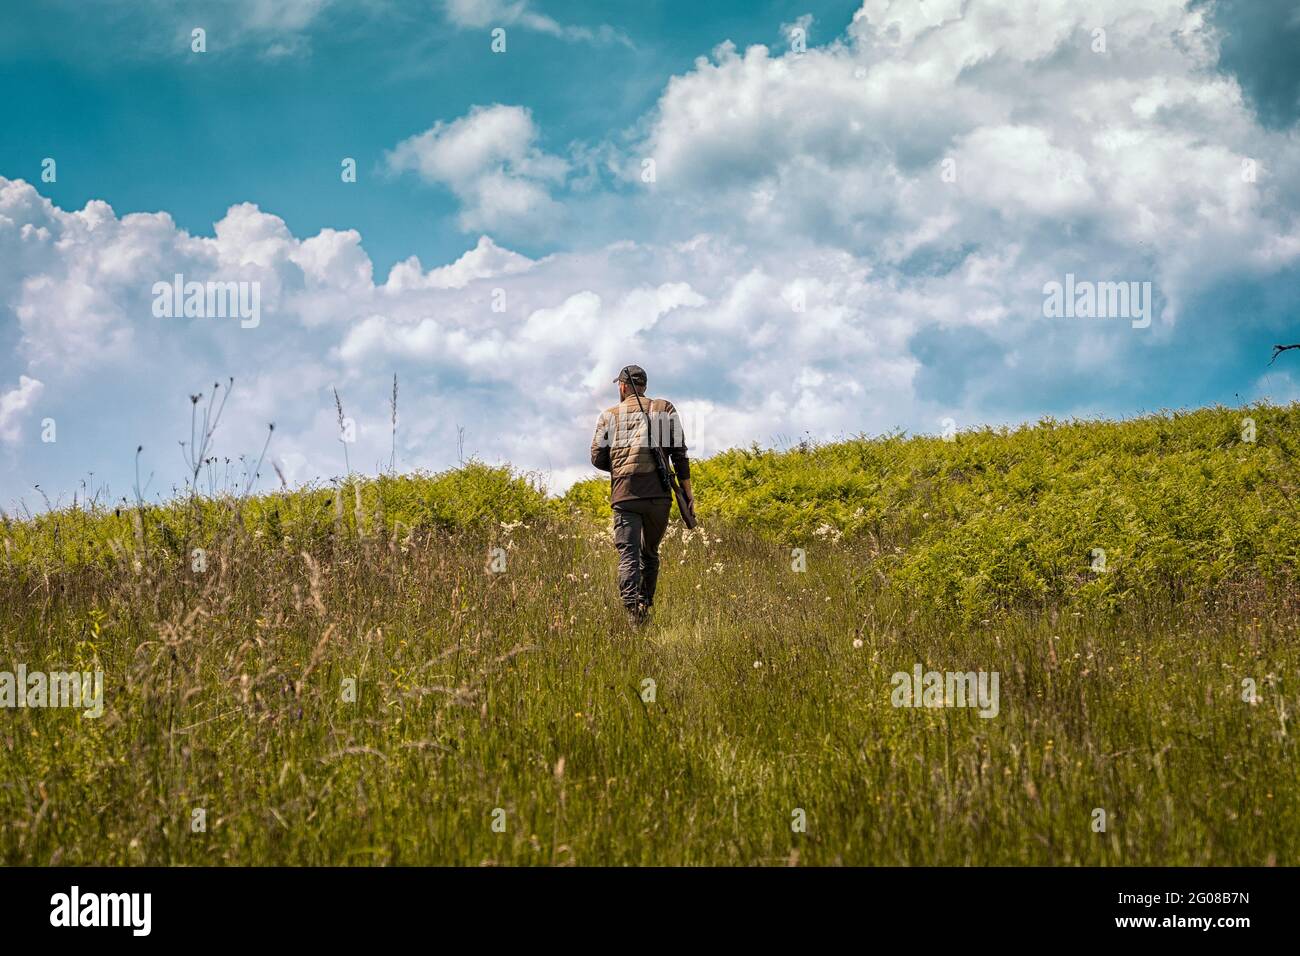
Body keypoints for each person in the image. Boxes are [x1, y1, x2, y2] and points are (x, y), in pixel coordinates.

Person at [589, 365, 693, 624]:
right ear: (644, 385)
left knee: (628, 555)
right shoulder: (664, 408)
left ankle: (632, 613)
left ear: (622, 386)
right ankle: (645, 605)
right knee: (650, 553)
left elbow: (596, 457)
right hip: (659, 495)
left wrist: (620, 465)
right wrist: (687, 495)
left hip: (625, 496)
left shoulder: (608, 415)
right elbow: (679, 453)